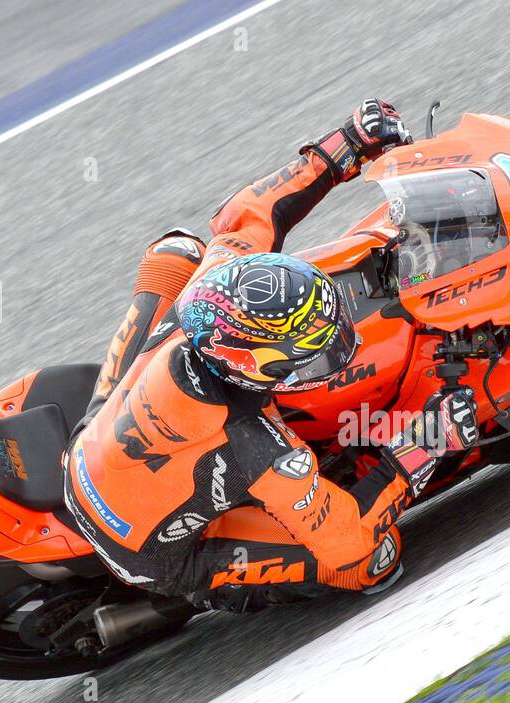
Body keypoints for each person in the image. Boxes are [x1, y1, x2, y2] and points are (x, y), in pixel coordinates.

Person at [64, 99, 479, 612]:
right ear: (249, 365)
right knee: (371, 561)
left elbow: (251, 212)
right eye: (305, 355)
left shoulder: (219, 283)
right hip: (146, 551)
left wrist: (343, 145)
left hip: (88, 443)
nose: (328, 356)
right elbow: (347, 537)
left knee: (175, 253)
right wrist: (423, 445)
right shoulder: (261, 446)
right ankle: (204, 598)